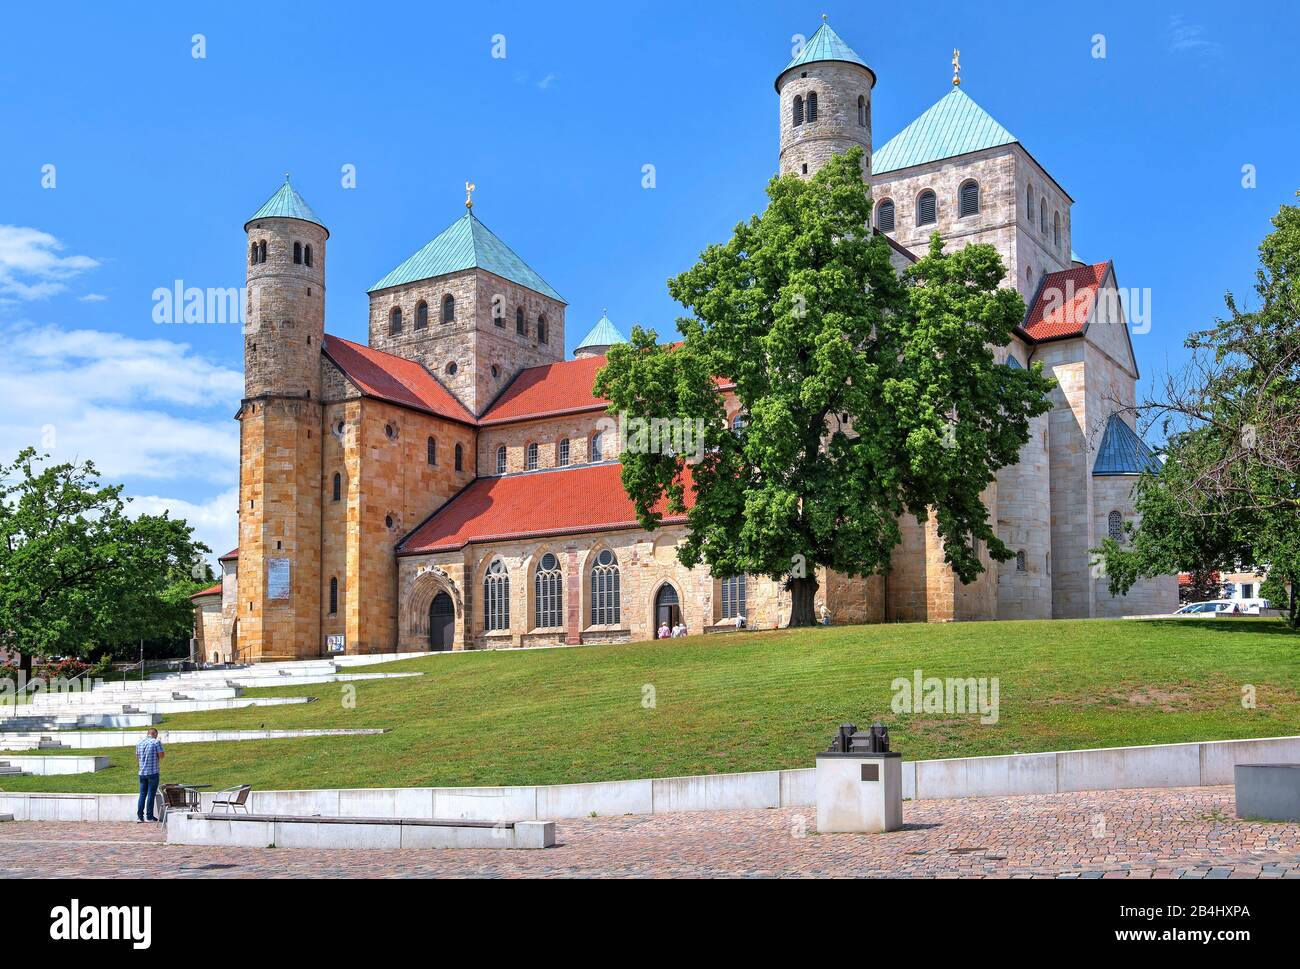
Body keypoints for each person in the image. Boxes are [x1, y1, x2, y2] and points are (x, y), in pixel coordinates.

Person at [135, 728, 165, 823]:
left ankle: (140, 817)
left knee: (142, 794)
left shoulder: (139, 743)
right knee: (151, 795)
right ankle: (149, 816)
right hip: (153, 772)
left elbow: (137, 757)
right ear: (155, 734)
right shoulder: (156, 742)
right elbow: (161, 755)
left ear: (148, 733)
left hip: (142, 773)